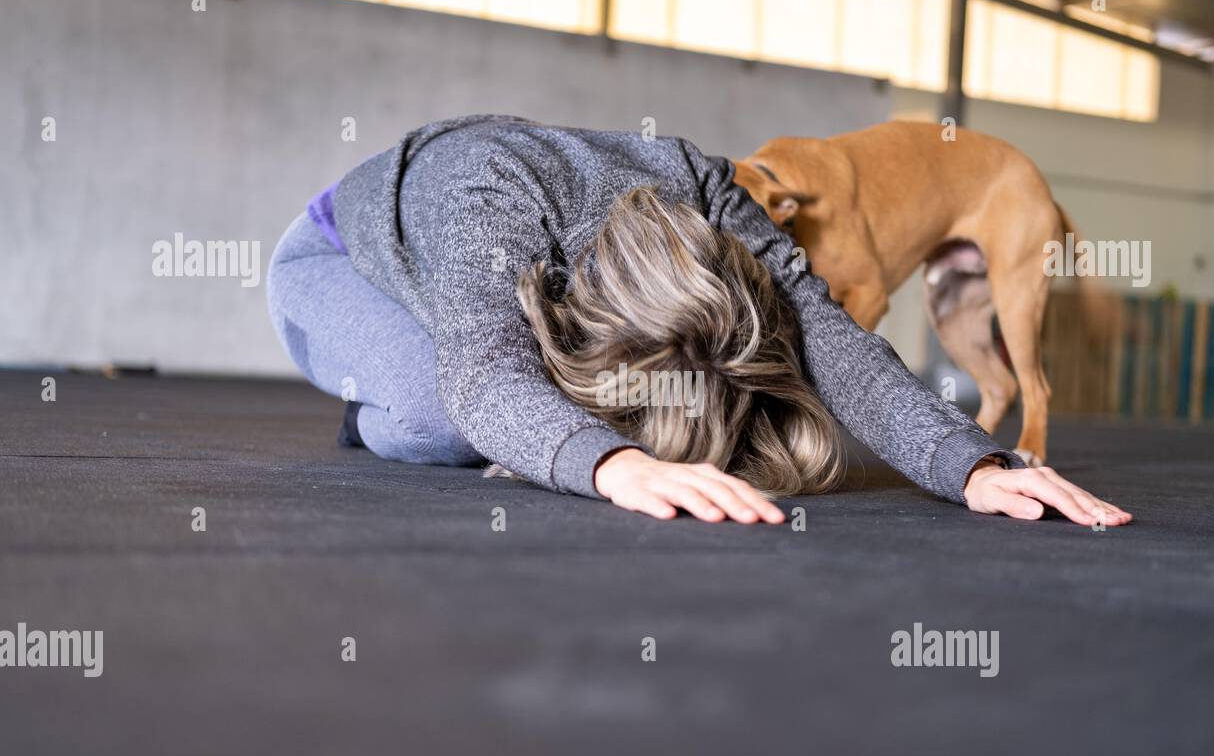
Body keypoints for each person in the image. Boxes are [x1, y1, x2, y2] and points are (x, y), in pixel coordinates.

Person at [265, 115, 1130, 528]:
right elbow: (483, 373)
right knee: (447, 410)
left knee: (529, 402)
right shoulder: (488, 204)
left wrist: (967, 462)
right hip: (338, 261)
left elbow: (825, 330)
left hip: (498, 270)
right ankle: (361, 405)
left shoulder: (711, 189)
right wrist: (614, 462)